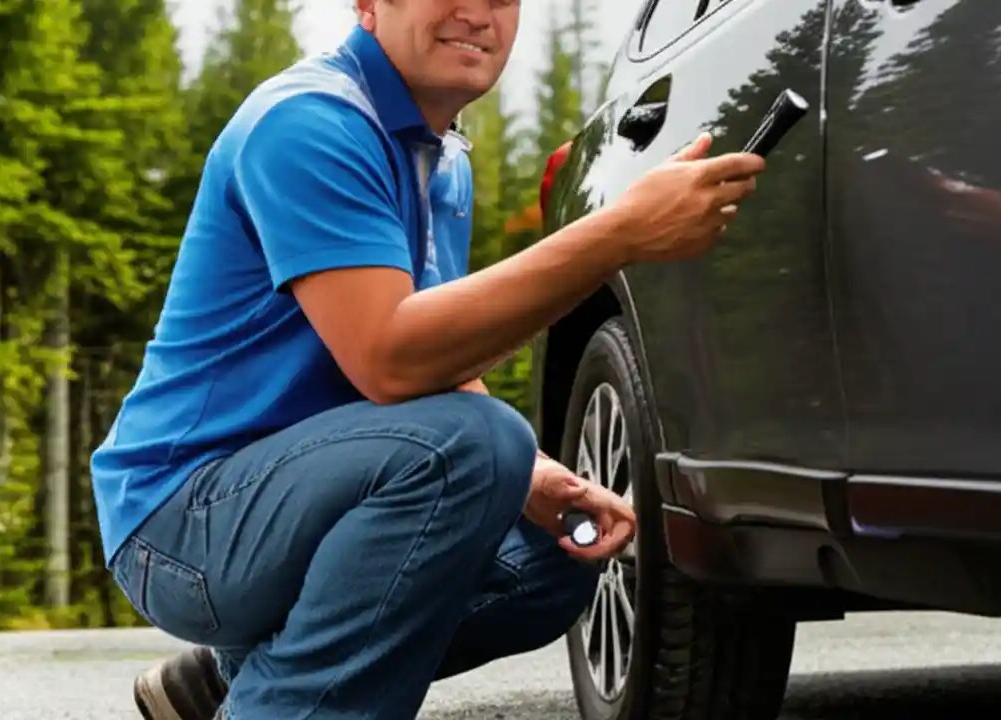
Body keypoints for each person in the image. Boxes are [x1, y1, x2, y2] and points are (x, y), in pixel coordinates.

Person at [91, 0, 766, 718]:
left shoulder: (439, 155)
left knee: (550, 562)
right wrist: (617, 235)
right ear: (368, 5)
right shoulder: (309, 122)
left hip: (298, 500)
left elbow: (437, 358)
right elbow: (391, 358)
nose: (477, 13)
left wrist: (534, 478)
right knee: (475, 446)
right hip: (182, 524)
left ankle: (231, 685)